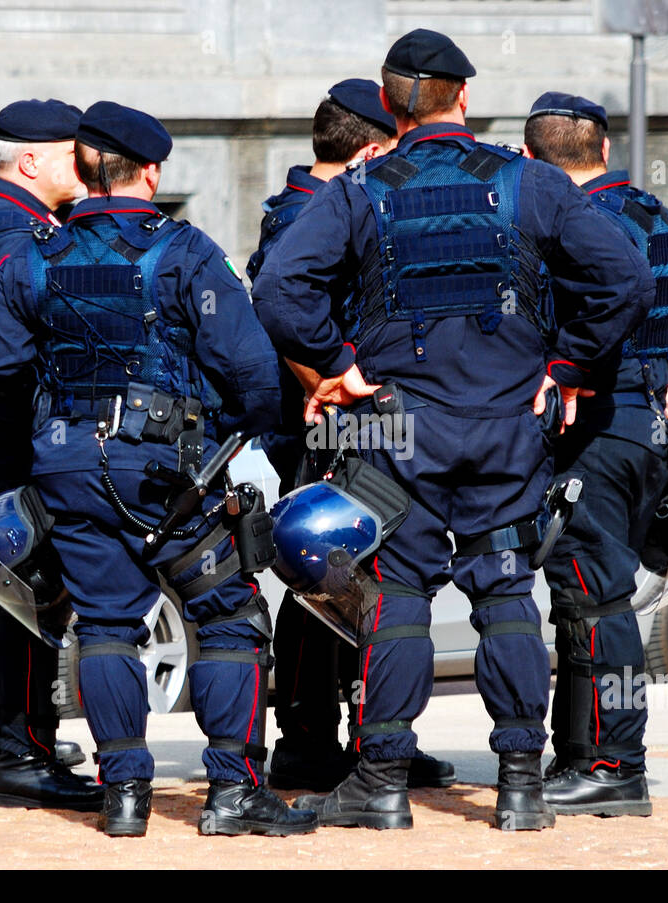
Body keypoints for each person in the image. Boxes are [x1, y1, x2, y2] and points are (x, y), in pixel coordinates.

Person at [253, 30, 654, 831]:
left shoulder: (360, 190)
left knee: (396, 596)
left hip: (399, 430)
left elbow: (276, 289)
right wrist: (568, 366)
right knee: (507, 595)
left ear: (389, 99)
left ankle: (383, 781)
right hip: (510, 426)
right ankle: (519, 784)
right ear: (463, 97)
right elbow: (627, 278)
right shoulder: (530, 183)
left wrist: (339, 364)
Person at [0, 101, 316, 837]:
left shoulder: (35, 253)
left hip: (67, 467)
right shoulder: (184, 251)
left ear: (85, 168)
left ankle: (123, 796)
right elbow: (253, 370)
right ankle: (232, 791)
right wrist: (230, 429)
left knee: (104, 625)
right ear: (150, 171)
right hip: (174, 471)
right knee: (229, 619)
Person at [523, 92, 668, 816]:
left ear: (529, 160)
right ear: (603, 150)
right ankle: (578, 754)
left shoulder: (558, 222)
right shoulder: (650, 212)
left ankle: (618, 764)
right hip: (641, 427)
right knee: (586, 596)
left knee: (598, 596)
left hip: (596, 431)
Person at [247, 78, 453, 793]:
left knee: (355, 579)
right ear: (371, 147)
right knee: (325, 577)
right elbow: (281, 310)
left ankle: (372, 737)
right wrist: (324, 379)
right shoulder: (308, 213)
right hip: (327, 425)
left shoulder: (308, 205)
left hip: (350, 420)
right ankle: (308, 739)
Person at [0, 98, 101, 810]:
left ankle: (3, 748)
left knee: (22, 597)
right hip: (17, 440)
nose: (91, 164)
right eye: (77, 154)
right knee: (26, 596)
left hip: (22, 437)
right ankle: (18, 752)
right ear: (33, 161)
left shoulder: (29, 227)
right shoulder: (9, 235)